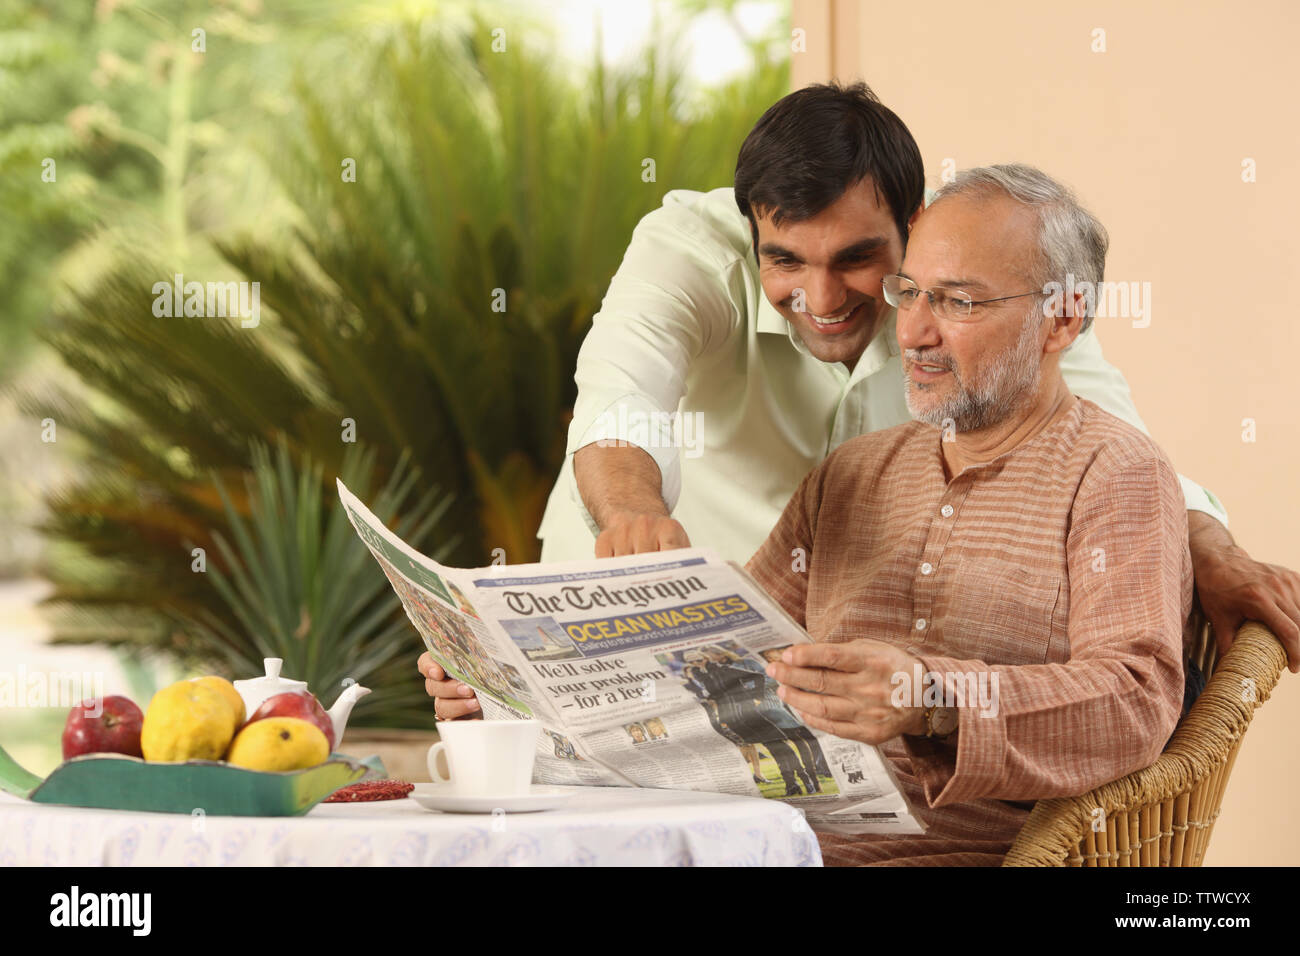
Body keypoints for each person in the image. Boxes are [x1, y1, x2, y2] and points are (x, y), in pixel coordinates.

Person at [420, 82, 1299, 722]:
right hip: (647, 596)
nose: (823, 295)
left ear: (913, 223)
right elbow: (620, 395)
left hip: (817, 673)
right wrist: (633, 515)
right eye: (785, 260)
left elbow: (1108, 435)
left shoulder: (1001, 293)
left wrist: (1208, 545)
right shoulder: (686, 248)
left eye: (855, 259)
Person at [749, 164, 1191, 865]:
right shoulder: (852, 472)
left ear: (1063, 317)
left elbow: (1134, 701)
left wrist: (932, 698)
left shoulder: (1116, 474)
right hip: (769, 842)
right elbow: (742, 642)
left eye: (958, 303)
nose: (915, 333)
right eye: (910, 293)